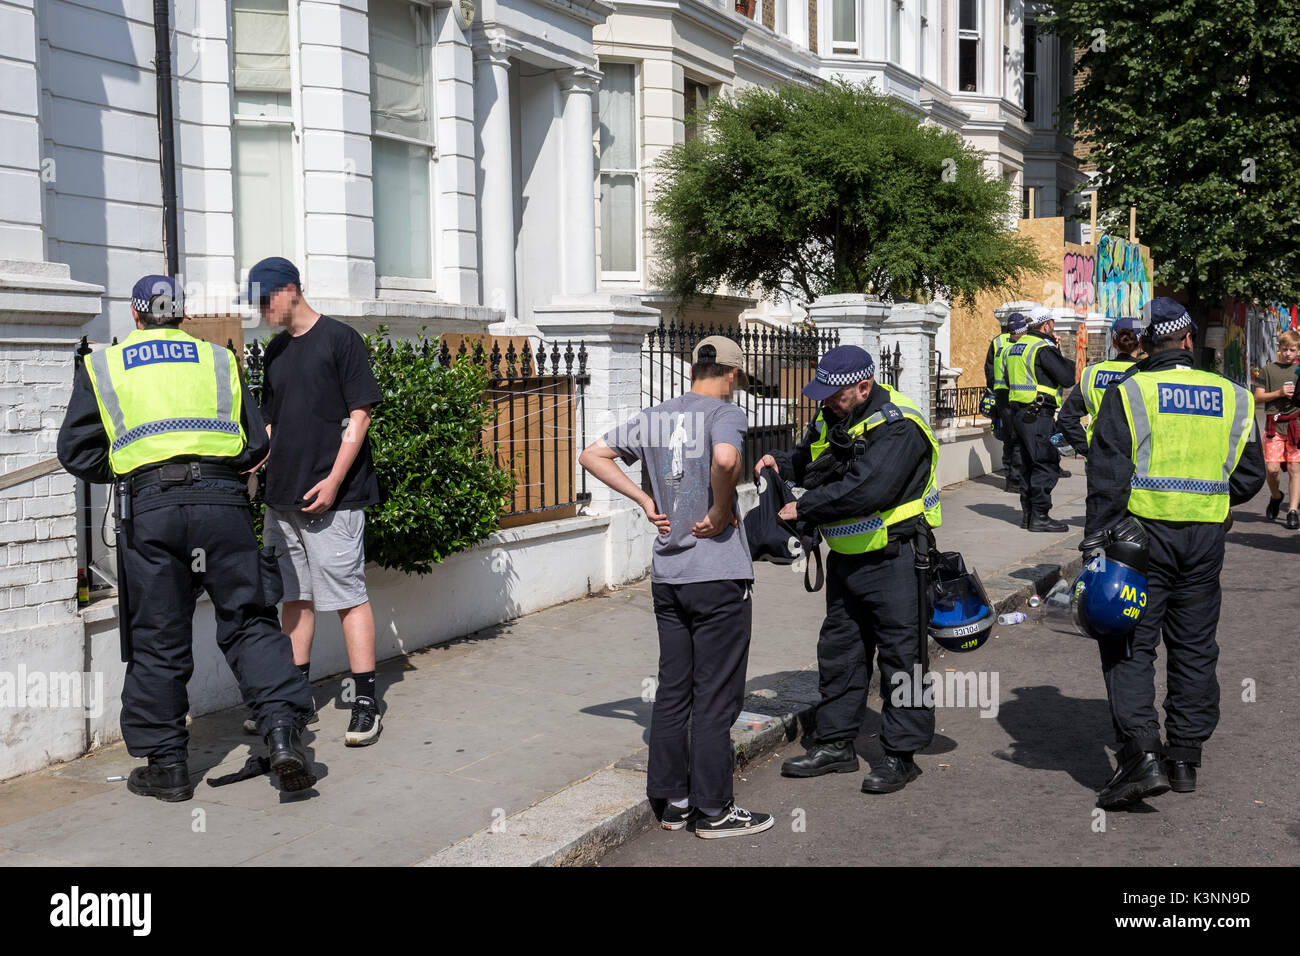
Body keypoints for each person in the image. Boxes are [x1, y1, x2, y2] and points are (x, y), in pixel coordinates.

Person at [56, 275, 317, 801]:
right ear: (182, 314)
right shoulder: (218, 359)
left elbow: (76, 452)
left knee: (158, 634)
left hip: (152, 509)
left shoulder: (103, 363)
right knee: (249, 621)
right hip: (223, 505)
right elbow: (252, 444)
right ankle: (283, 736)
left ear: (135, 316)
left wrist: (134, 470)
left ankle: (169, 767)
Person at [578, 335, 774, 839]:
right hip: (717, 575)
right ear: (731, 375)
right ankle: (714, 810)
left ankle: (673, 802)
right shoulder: (723, 413)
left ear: (694, 369)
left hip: (669, 577)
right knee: (715, 697)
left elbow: (592, 455)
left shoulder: (654, 415)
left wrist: (645, 501)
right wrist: (719, 507)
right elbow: (728, 460)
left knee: (672, 691)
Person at [1084, 297, 1263, 809]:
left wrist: (1097, 538)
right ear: (1188, 341)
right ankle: (1184, 756)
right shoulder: (1234, 395)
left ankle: (1142, 756)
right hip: (1204, 541)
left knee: (1130, 642)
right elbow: (1249, 476)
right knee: (1195, 644)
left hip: (1141, 540)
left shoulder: (1130, 390)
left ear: (1145, 343)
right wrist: (1213, 504)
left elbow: (1108, 476)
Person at [759, 345, 942, 794]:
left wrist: (804, 507)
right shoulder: (834, 415)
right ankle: (837, 745)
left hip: (897, 557)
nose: (824, 402)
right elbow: (813, 460)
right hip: (848, 559)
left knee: (904, 658)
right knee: (841, 651)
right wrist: (781, 462)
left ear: (863, 387)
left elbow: (868, 491)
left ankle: (901, 755)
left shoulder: (900, 425)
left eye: (832, 394)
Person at [245, 257, 385, 747]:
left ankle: (366, 701)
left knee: (347, 596)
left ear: (290, 290)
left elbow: (360, 417)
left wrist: (332, 483)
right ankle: (293, 697)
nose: (260, 310)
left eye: (264, 299)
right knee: (295, 597)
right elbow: (270, 422)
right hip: (282, 499)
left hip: (335, 500)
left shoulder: (341, 339)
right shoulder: (276, 351)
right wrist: (252, 461)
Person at [1004, 306, 1077, 531]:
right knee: (1045, 464)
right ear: (1046, 325)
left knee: (1026, 464)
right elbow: (1067, 378)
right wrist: (1057, 350)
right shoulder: (1042, 348)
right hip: (1037, 415)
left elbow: (1008, 380)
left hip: (1018, 414)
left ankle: (1028, 515)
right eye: (1052, 323)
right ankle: (1040, 516)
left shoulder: (1015, 347)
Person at [1057, 315, 1143, 457]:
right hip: (1134, 459)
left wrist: (1088, 449)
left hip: (1099, 459)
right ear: (1141, 343)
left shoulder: (1092, 373)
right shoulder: (1145, 373)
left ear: (1114, 343)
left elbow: (1066, 418)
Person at [1253, 330, 1300, 527]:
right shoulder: (1268, 370)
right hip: (1274, 425)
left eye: (1293, 350)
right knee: (1272, 469)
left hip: (1296, 425)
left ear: (1298, 350)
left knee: (1294, 468)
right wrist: (1279, 393)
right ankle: (1276, 496)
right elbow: (1257, 397)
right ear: (1278, 348)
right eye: (1285, 349)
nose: (1288, 353)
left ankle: (1293, 511)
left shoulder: (1299, 370)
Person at [986, 312, 1027, 493]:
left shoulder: (997, 342)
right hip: (1014, 395)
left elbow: (989, 369)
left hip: (1001, 394)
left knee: (1009, 439)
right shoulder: (1022, 345)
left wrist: (992, 389)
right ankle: (1015, 479)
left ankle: (1011, 477)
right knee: (1016, 439)